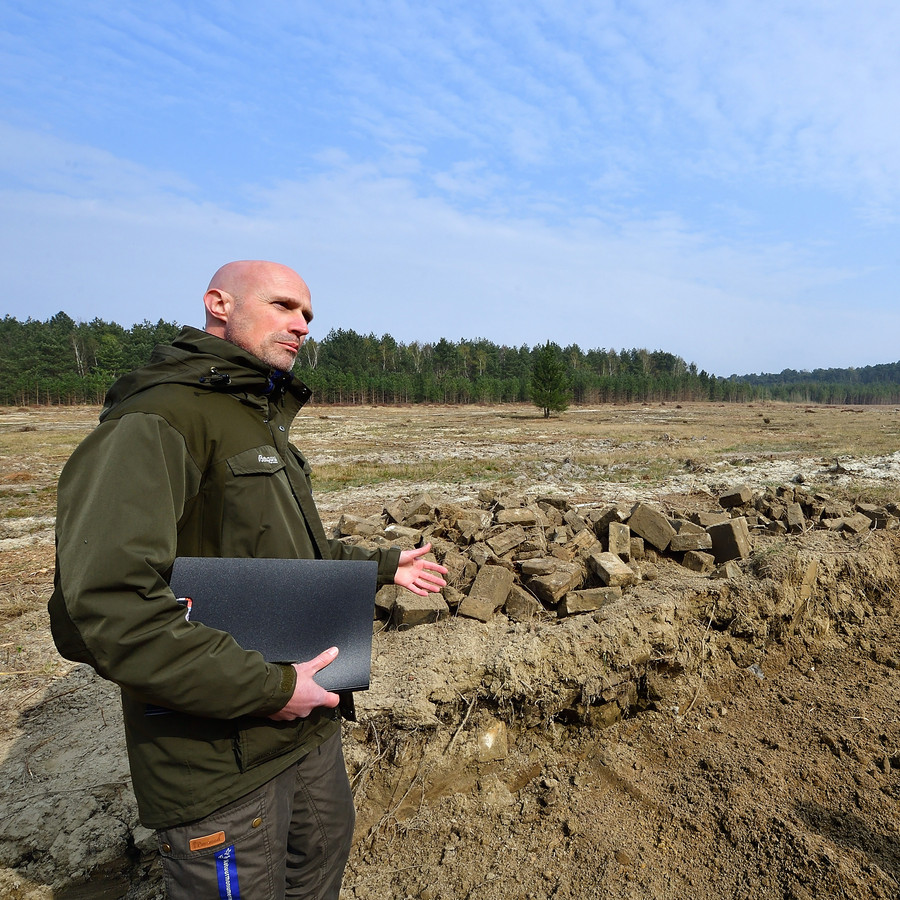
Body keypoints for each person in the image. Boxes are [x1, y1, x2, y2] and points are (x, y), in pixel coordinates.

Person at [48, 260, 447, 900]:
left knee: (318, 874)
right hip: (222, 758)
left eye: (309, 315)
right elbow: (106, 603)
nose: (301, 325)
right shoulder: (159, 419)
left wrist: (382, 563)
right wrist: (269, 687)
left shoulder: (255, 418)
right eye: (285, 306)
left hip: (306, 729)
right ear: (219, 304)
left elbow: (276, 554)